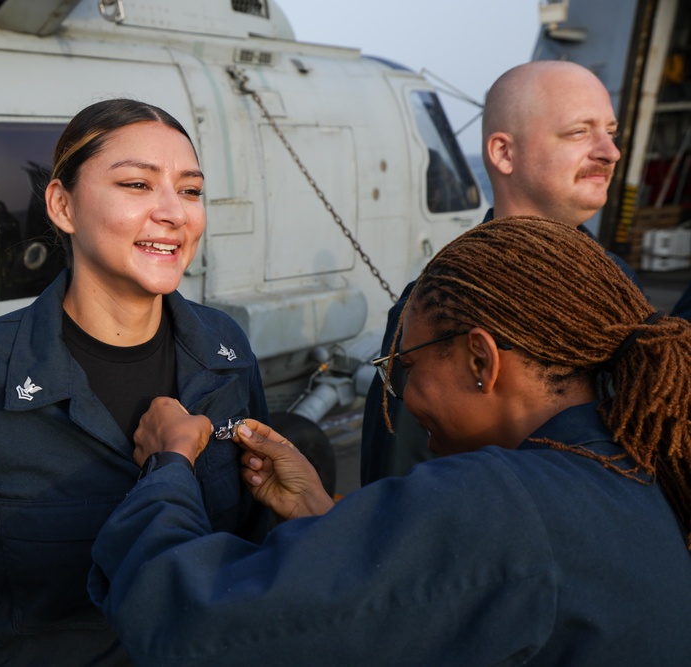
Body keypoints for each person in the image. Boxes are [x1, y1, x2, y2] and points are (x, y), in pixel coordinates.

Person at [89, 215, 691, 666]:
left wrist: (167, 464)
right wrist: (324, 521)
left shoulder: (503, 505)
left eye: (405, 365)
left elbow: (192, 624)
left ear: (481, 361)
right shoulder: (628, 463)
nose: (402, 396)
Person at [0, 99, 269, 667]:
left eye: (190, 191)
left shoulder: (225, 350)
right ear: (62, 205)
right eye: (138, 185)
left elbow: (259, 557)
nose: (175, 213)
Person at [361, 60, 642, 485]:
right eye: (579, 132)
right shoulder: (442, 306)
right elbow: (402, 488)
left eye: (611, 131)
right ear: (504, 153)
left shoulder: (616, 281)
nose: (610, 151)